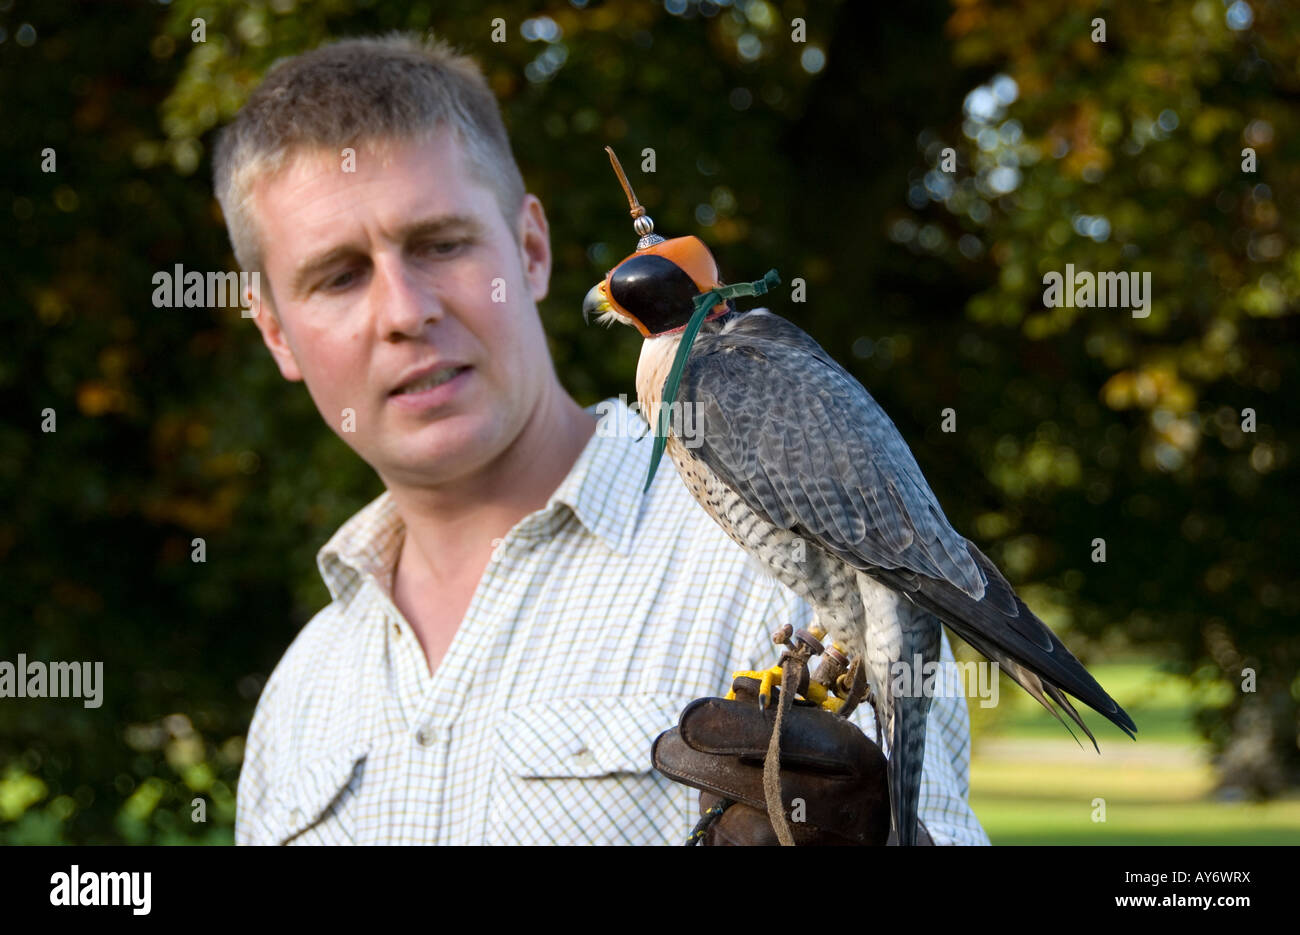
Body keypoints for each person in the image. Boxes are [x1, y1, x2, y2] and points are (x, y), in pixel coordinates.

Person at [214, 32, 989, 845]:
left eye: (441, 245)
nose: (406, 311)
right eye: (338, 275)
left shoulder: (775, 571)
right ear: (273, 330)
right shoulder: (296, 698)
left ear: (532, 249)